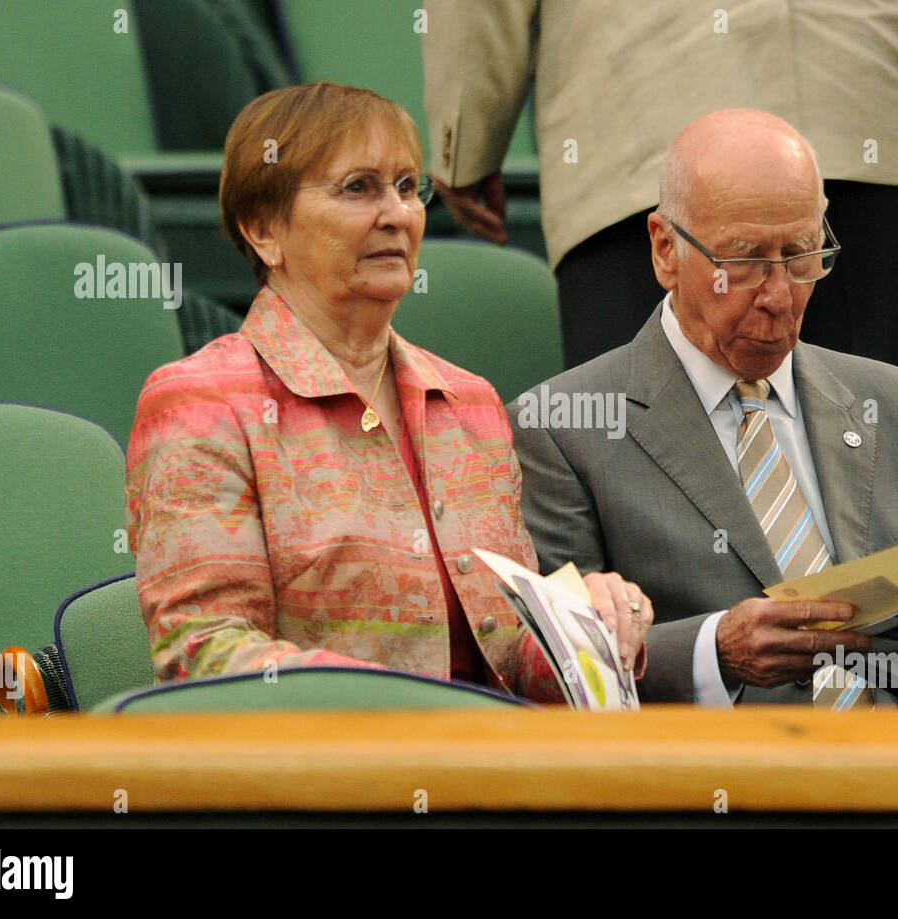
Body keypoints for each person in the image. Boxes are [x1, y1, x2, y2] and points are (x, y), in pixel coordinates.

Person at [510, 108, 898, 706]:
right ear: (666, 250)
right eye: (742, 261)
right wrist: (714, 650)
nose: (777, 295)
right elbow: (558, 664)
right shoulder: (563, 430)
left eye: (801, 255)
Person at [125, 82, 650, 699]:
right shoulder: (201, 402)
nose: (398, 214)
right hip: (322, 779)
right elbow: (206, 653)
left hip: (486, 770)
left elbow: (507, 658)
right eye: (359, 188)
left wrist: (586, 619)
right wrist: (419, 711)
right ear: (263, 229)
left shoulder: (468, 402)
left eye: (407, 187)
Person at [421, 0, 898, 378]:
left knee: (651, 484)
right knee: (883, 482)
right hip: (865, 113)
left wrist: (464, 141)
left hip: (641, 125)